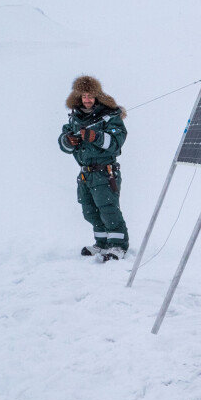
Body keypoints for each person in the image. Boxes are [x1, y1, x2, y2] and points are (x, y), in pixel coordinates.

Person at [58, 75, 129, 261]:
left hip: (105, 172)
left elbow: (117, 142)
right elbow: (63, 141)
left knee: (108, 209)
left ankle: (118, 246)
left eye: (90, 96)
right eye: (83, 96)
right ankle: (102, 243)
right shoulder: (75, 118)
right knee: (89, 210)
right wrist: (68, 141)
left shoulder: (111, 117)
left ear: (97, 97)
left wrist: (95, 136)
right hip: (85, 174)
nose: (87, 100)